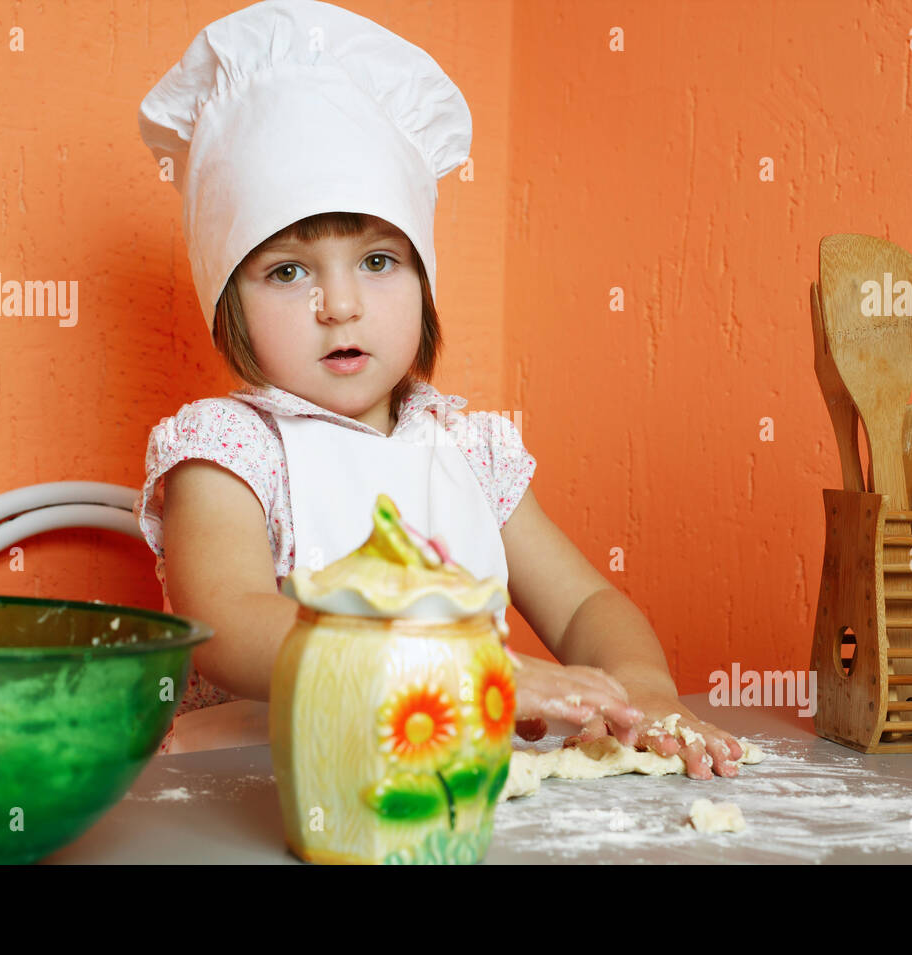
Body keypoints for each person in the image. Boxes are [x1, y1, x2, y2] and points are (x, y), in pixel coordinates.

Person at [134, 0, 744, 776]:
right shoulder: (227, 455)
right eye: (287, 271)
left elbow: (589, 605)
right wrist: (453, 672)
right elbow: (224, 620)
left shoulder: (467, 451)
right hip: (253, 794)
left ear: (425, 281)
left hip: (443, 801)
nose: (342, 304)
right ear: (231, 306)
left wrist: (643, 689)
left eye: (379, 261)